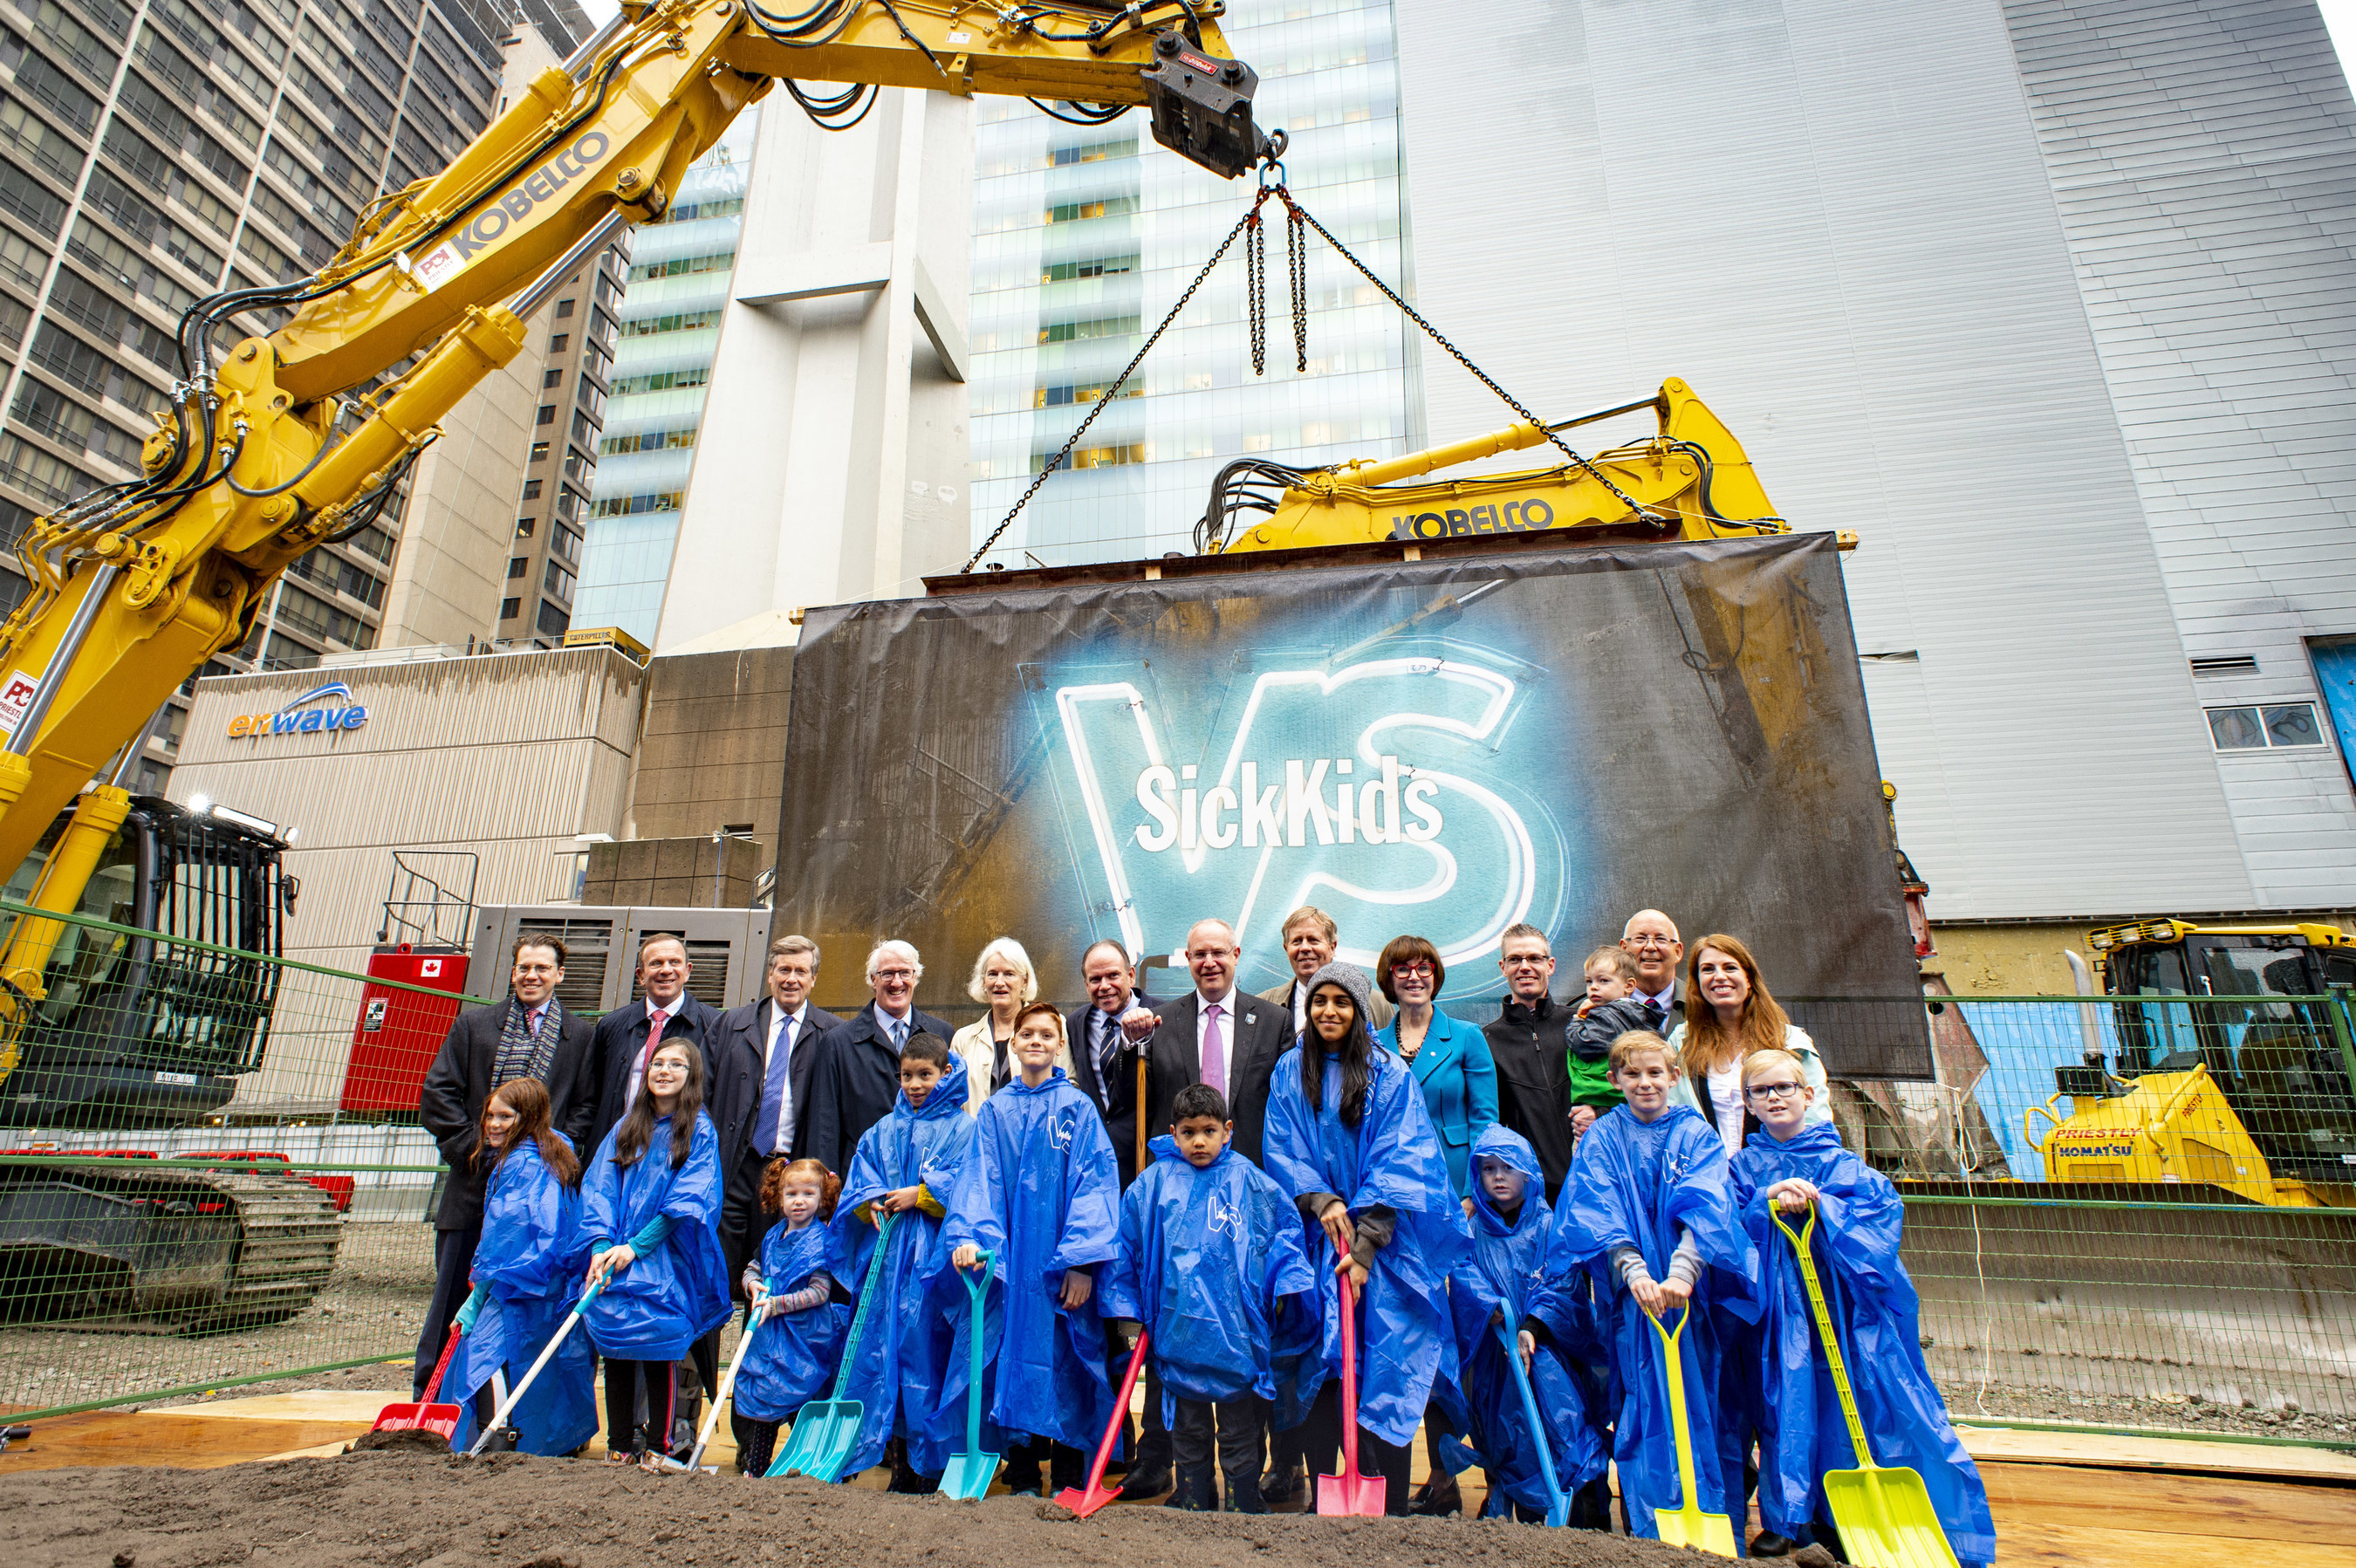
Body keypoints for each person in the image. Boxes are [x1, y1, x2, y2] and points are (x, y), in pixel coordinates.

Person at [1730, 1051, 1995, 1565]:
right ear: (1748, 1104)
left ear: (1808, 1095)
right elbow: (1728, 1230)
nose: (1775, 1098)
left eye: (1785, 1087)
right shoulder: (1742, 1169)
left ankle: (1839, 1516)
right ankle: (1787, 1519)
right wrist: (1767, 1200)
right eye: (1762, 1091)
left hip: (1846, 1314)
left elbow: (1878, 1232)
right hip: (1783, 1316)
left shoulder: (1846, 1166)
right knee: (1787, 1406)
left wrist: (1824, 1206)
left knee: (1858, 1404)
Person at [1263, 962, 1469, 1518]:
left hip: (1384, 1250)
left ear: (1359, 1011)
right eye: (1319, 1001)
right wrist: (1322, 1200)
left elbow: (1401, 1158)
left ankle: (1389, 1502)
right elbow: (1282, 1147)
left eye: (1341, 1002)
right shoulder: (1289, 1070)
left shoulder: (1387, 1072)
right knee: (1320, 1362)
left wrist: (1366, 1246)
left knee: (1388, 1360)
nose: (1329, 1011)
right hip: (1315, 1239)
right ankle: (1324, 1489)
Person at [1545, 1030, 1758, 1540]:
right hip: (1632, 1302)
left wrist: (1683, 1272)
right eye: (1633, 1074)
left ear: (1675, 1077)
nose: (1645, 1083)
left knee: (1702, 1398)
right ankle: (1647, 1524)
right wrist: (1635, 1273)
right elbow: (1595, 1209)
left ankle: (1714, 1516)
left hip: (1691, 1298)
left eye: (1655, 1073)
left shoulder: (1696, 1133)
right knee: (1641, 1403)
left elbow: (1709, 1206)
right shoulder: (1603, 1137)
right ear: (1615, 1080)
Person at [1099, 1083, 1317, 1512]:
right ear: (1174, 1132)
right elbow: (1127, 1246)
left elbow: (1285, 1234)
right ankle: (1195, 1497)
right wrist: (1130, 1306)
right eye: (1189, 1131)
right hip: (1178, 1335)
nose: (1199, 1141)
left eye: (1209, 1131)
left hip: (1236, 1337)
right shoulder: (1153, 1185)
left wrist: (1287, 1286)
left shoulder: (1251, 1182)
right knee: (1189, 1431)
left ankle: (1242, 1499)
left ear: (1228, 1130)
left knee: (1239, 1431)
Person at [1133, 916, 1290, 1500]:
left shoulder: (1272, 1021)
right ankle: (1183, 1479)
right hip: (1180, 1209)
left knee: (1249, 1349)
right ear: (1188, 959)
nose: (1209, 962)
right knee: (1181, 1355)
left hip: (1246, 1206)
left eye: (1219, 952)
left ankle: (1260, 1479)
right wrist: (1131, 1040)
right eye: (1198, 954)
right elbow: (1132, 1097)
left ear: (1237, 954)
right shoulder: (1159, 1020)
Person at [942, 1002, 1121, 1498]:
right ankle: (1020, 1471)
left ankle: (1066, 1473)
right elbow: (979, 1180)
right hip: (1010, 1265)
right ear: (1013, 1043)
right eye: (1028, 1033)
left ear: (1059, 1043)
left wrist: (1081, 1263)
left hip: (1060, 1268)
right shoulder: (996, 1110)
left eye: (1047, 1033)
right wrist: (971, 1241)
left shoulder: (1079, 1109)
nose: (1037, 1040)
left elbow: (1096, 1186)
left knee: (1066, 1358)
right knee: (1011, 1359)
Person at [414, 935, 595, 1398]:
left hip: (538, 1201)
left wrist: (546, 1155)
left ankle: (517, 1412)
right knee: (453, 1305)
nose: (531, 975)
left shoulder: (579, 1036)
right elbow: (439, 1094)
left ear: (559, 974)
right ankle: (431, 1405)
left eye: (542, 968)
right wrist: (474, 1150)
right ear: (512, 972)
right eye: (523, 967)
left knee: (529, 1310)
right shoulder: (474, 1026)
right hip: (472, 1191)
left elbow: (584, 1107)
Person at [1372, 932, 1498, 1516]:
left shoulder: (1467, 1038)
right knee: (1410, 1339)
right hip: (1397, 1219)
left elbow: (1485, 1121)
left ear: (1436, 975)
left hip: (1455, 1211)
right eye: (1403, 968)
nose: (1414, 976)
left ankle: (1453, 1475)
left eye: (1424, 967)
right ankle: (1423, 1474)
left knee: (1455, 1345)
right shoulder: (1371, 1044)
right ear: (1389, 977)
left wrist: (1472, 1194)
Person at [832, 1031, 979, 1490]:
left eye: (925, 1075)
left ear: (946, 1074)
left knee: (925, 1356)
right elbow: (861, 1178)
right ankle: (894, 1460)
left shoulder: (964, 1128)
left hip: (932, 1262)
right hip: (885, 1259)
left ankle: (924, 1465)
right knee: (880, 1352)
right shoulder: (883, 1129)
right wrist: (870, 1200)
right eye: (907, 1075)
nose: (915, 1084)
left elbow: (975, 1186)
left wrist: (924, 1195)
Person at [579, 1037, 734, 1466]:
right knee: (616, 1346)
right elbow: (600, 1191)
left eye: (676, 1065)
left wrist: (637, 1247)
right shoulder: (627, 1127)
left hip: (664, 1257)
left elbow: (690, 1199)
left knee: (660, 1343)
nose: (664, 1071)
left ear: (692, 1076)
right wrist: (601, 1245)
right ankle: (619, 1444)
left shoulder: (698, 1131)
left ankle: (660, 1446)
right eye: (657, 1063)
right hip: (615, 1255)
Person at [1452, 1126, 1607, 1525]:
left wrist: (1534, 1327)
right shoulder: (1472, 1234)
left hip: (1547, 1352)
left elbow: (1562, 1282)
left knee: (1563, 1424)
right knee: (1504, 1433)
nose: (1499, 1177)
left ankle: (1584, 1513)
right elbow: (1464, 1278)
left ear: (1529, 1174)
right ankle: (1519, 1515)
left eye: (1508, 1167)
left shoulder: (1547, 1226)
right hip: (1496, 1356)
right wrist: (1492, 1308)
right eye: (1488, 1169)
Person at [442, 1077, 596, 1457]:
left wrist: (479, 1295)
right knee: (528, 1364)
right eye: (490, 1116)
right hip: (541, 1286)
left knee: (481, 1360)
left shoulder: (522, 1165)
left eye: (505, 1117)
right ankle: (521, 1440)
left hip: (514, 1288)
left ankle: (491, 1439)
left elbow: (504, 1240)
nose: (493, 1125)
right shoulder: (548, 1154)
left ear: (526, 1117)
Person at [729, 1157, 850, 1479]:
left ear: (822, 1197)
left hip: (807, 1339)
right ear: (778, 1196)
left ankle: (810, 1466)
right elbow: (755, 1266)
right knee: (767, 1402)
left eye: (808, 1194)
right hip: (772, 1340)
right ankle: (756, 1468)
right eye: (791, 1194)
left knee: (803, 1400)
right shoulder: (773, 1236)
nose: (799, 1201)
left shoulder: (821, 1241)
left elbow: (819, 1293)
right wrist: (751, 1284)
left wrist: (776, 1305)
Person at [797, 940, 955, 1179]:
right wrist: (826, 1195)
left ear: (916, 977)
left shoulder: (943, 1035)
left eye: (905, 973)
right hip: (861, 1185)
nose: (897, 982)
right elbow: (824, 1127)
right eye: (887, 974)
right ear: (873, 980)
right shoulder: (838, 1043)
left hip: (922, 1185)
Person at [1668, 934, 1832, 1154]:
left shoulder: (1791, 1043)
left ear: (1749, 979)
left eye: (1730, 967)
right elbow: (1670, 1113)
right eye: (1708, 969)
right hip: (1707, 1179)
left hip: (1779, 1175)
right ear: (1697, 984)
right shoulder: (1681, 1042)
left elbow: (1815, 1120)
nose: (1719, 976)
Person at [715, 935, 842, 1179]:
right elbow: (703, 1092)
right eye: (784, 970)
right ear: (770, 975)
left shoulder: (834, 1035)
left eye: (801, 971)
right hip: (733, 1167)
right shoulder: (730, 1025)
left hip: (793, 1173)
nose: (791, 979)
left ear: (813, 979)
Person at [1483, 923, 1575, 1202]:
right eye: (1515, 959)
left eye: (1534, 958)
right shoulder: (1486, 1040)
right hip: (1532, 1198)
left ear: (1551, 965)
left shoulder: (1581, 1026)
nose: (1525, 967)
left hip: (1595, 1183)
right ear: (1503, 966)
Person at [1065, 938, 1160, 1189]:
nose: (1104, 986)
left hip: (1149, 1160)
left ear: (1131, 975)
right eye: (1095, 979)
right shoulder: (1076, 1023)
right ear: (1086, 984)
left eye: (1113, 976)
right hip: (1096, 1163)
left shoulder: (1165, 1016)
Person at [950, 936, 1070, 1105]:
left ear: (1025, 981)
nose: (999, 982)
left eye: (1009, 974)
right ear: (984, 981)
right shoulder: (963, 1040)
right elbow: (953, 1100)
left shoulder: (1054, 1026)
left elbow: (1069, 1086)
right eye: (992, 974)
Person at [1257, 906, 1394, 1037]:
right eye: (1297, 941)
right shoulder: (1262, 1005)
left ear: (1332, 947)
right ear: (1287, 950)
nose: (1304, 948)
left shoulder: (1378, 1005)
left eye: (1313, 940)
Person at [1567, 947, 1650, 1138]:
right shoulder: (1636, 1014)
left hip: (1604, 1100)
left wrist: (1578, 1020)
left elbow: (1583, 1044)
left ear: (1629, 986)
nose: (1593, 987)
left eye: (1603, 980)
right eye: (1589, 981)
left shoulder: (1608, 1015)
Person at [1620, 910, 1686, 1031]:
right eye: (1640, 939)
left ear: (1677, 951)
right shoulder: (1594, 1008)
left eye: (1661, 939)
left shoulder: (1704, 1006)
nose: (1650, 947)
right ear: (1624, 949)